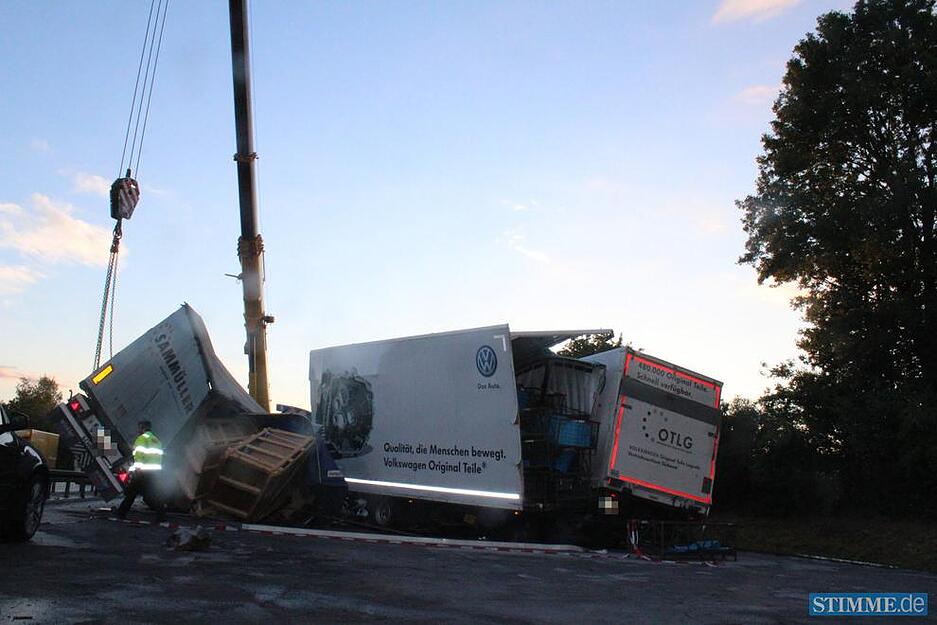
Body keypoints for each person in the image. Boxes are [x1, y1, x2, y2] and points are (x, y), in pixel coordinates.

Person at [116, 420, 165, 520]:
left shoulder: (141, 439)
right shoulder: (156, 440)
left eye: (139, 428)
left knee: (131, 494)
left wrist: (137, 470)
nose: (138, 430)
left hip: (142, 473)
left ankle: (121, 513)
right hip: (153, 473)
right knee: (149, 495)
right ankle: (161, 514)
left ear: (142, 428)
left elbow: (139, 456)